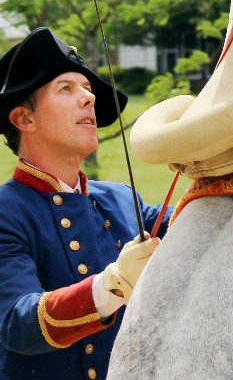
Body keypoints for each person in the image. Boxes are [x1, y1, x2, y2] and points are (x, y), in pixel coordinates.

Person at [0, 27, 173, 380]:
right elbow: (18, 322)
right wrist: (115, 283)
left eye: (88, 89)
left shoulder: (122, 198)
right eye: (66, 88)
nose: (88, 98)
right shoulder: (6, 212)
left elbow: (199, 219)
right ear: (24, 119)